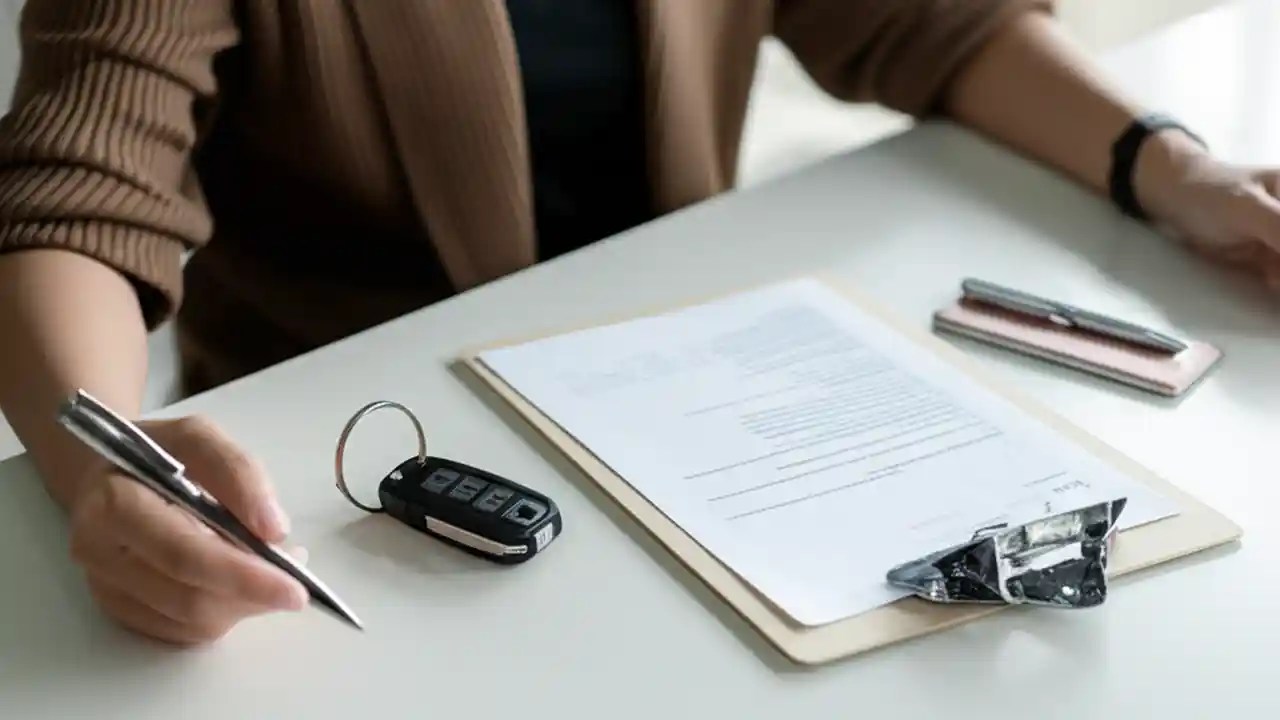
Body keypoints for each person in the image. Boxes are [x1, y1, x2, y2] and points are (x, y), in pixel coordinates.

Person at [1, 0, 1277, 646]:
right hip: (365, 485)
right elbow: (77, 186)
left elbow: (925, 21)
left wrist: (1169, 171)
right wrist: (105, 470)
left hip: (694, 403)